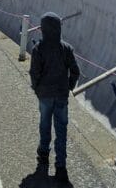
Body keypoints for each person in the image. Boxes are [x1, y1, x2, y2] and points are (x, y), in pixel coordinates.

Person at [29, 12, 80, 183]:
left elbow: (34, 72)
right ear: (59, 28)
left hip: (44, 94)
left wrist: (37, 88)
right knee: (61, 129)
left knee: (45, 124)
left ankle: (43, 155)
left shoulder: (38, 49)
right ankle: (61, 166)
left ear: (43, 29)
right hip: (61, 94)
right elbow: (75, 71)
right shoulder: (66, 48)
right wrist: (69, 86)